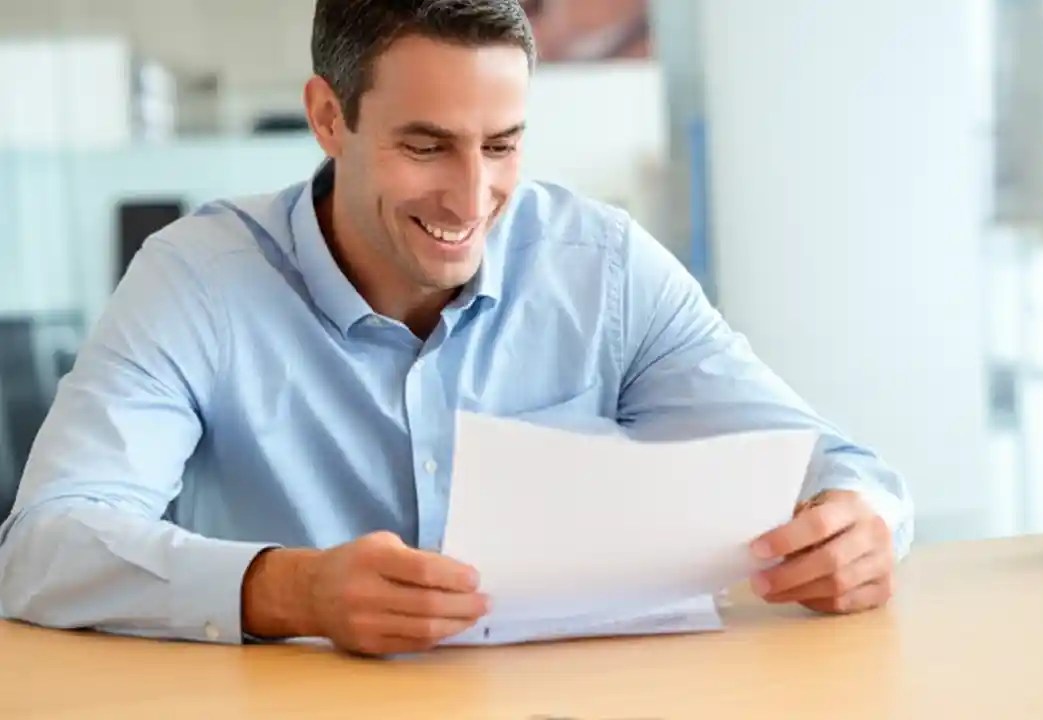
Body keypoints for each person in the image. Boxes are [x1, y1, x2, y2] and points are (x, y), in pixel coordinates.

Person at [0, 0, 911, 656]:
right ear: (329, 117)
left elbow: (830, 464)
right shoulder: (196, 278)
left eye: (503, 144)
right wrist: (294, 589)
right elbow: (47, 543)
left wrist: (863, 525)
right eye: (426, 146)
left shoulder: (601, 264)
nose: (473, 199)